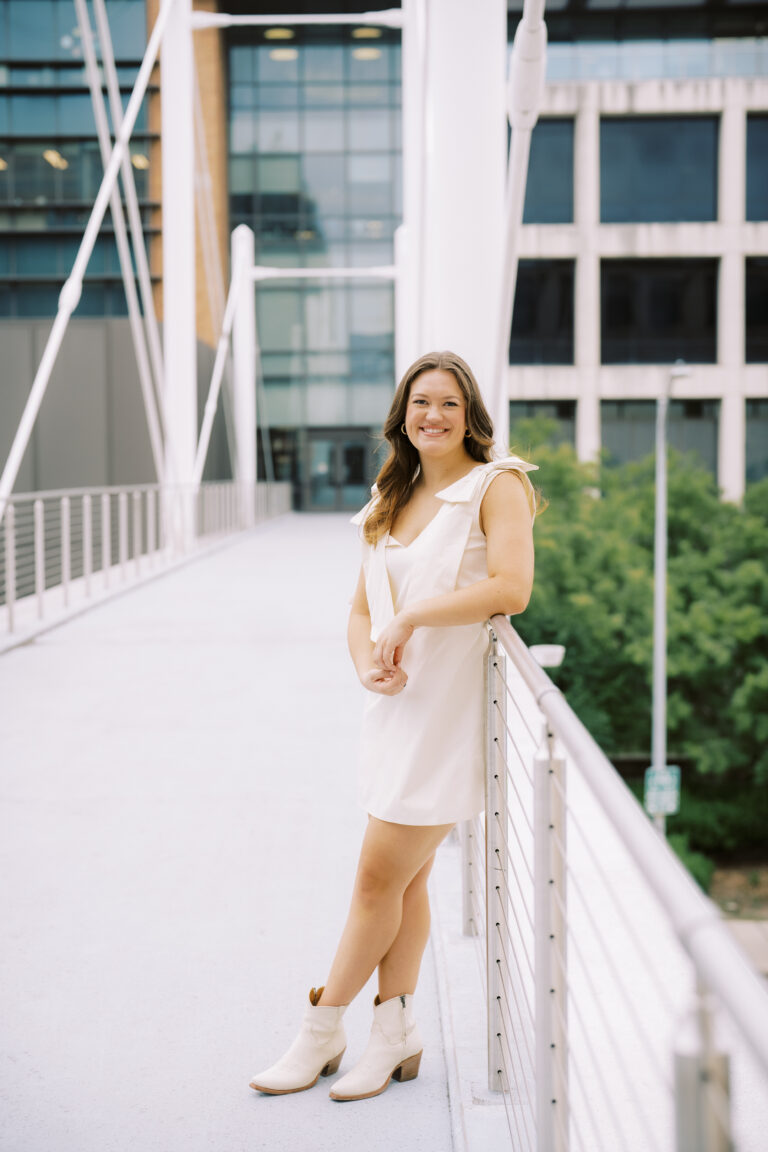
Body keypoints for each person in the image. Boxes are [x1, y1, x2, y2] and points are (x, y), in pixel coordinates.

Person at [249, 350, 538, 1103]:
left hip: (449, 713)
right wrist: (363, 663)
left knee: (377, 876)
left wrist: (409, 616)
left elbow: (512, 587)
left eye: (447, 403)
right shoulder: (394, 491)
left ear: (469, 412)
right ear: (402, 417)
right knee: (406, 883)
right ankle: (395, 1033)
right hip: (395, 708)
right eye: (420, 404)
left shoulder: (496, 484)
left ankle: (321, 1029)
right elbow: (357, 610)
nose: (432, 417)